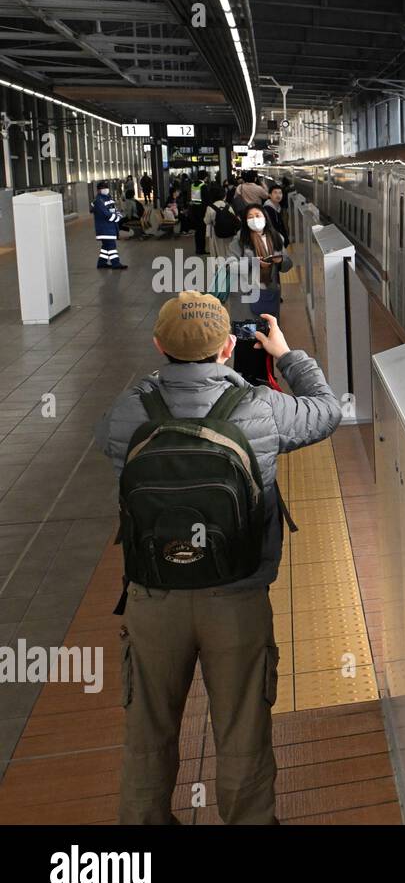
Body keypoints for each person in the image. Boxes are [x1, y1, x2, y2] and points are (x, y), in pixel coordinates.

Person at [95, 292, 341, 824]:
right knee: (242, 735)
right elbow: (327, 411)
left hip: (152, 597)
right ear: (229, 346)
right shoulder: (262, 409)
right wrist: (285, 355)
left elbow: (112, 448)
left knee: (147, 737)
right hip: (237, 598)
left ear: (158, 345)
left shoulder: (126, 411)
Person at [228, 204, 292, 319]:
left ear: (265, 218)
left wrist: (281, 260)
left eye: (257, 215)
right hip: (246, 294)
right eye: (250, 217)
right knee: (249, 332)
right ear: (245, 221)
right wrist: (252, 262)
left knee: (268, 329)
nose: (254, 219)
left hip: (269, 292)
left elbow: (287, 266)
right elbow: (230, 266)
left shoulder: (277, 238)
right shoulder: (239, 241)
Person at [92, 180, 127, 270]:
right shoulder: (98, 201)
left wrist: (118, 216)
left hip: (110, 227)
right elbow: (106, 214)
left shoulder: (109, 198)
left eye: (106, 187)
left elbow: (115, 210)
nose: (105, 189)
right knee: (111, 246)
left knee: (105, 246)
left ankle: (101, 262)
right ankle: (116, 263)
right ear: (98, 190)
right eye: (103, 188)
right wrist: (117, 218)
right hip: (104, 228)